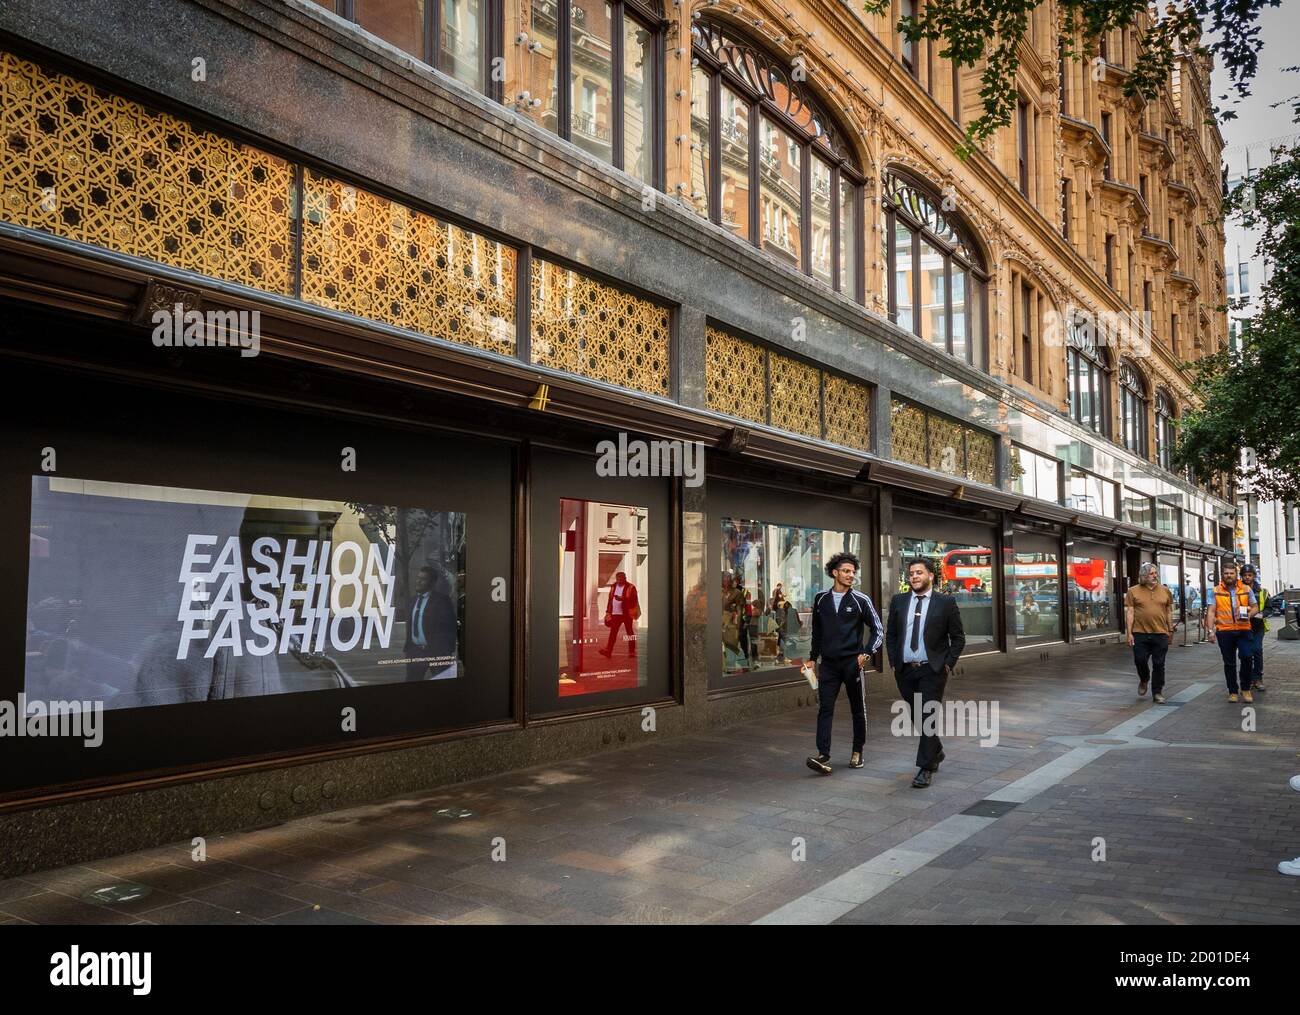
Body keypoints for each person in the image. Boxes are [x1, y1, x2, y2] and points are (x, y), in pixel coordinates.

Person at [886, 557, 966, 788]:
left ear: (930, 575)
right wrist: (893, 661)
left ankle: (925, 767)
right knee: (917, 716)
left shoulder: (945, 602)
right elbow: (891, 635)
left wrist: (947, 663)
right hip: (905, 671)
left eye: (919, 572)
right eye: (911, 573)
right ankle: (936, 751)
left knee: (927, 716)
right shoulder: (899, 601)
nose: (914, 577)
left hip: (932, 669)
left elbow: (958, 638)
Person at [805, 552, 883, 776]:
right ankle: (823, 754)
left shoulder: (860, 600)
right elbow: (817, 632)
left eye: (853, 572)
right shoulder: (821, 599)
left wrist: (867, 653)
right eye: (846, 571)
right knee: (825, 708)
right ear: (834, 573)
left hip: (852, 664)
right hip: (828, 665)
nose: (851, 575)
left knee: (858, 709)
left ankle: (857, 751)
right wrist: (812, 658)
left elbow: (878, 630)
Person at [1204, 562, 1258, 702]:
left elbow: (1255, 607)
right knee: (1229, 663)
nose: (1229, 576)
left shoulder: (1246, 589)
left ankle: (1245, 689)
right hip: (1225, 631)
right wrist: (1210, 631)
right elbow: (1210, 612)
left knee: (1247, 657)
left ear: (1236, 574)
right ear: (1222, 575)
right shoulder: (1215, 591)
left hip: (1244, 630)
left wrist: (1248, 614)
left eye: (1231, 573)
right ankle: (1233, 691)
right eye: (1226, 573)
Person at [1125, 562, 1175, 703]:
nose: (1155, 575)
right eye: (1151, 573)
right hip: (1140, 633)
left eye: (1155, 573)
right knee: (1140, 660)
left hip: (1160, 633)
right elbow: (1130, 612)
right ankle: (1144, 678)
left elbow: (1169, 611)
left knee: (1159, 663)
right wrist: (1129, 633)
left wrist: (1170, 630)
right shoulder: (1133, 591)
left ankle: (1157, 692)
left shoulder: (1165, 590)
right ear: (1144, 576)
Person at [404, 565, 459, 681]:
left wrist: (447, 650)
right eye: (418, 578)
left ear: (432, 583)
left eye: (423, 579)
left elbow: (450, 626)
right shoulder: (412, 601)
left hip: (436, 651)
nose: (418, 581)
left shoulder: (442, 601)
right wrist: (409, 650)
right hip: (415, 652)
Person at [1240, 563, 1269, 692]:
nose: (1247, 577)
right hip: (1242, 626)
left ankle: (1257, 678)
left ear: (1254, 576)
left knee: (1257, 650)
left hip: (1258, 627)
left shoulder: (1263, 592)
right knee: (1245, 654)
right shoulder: (1237, 590)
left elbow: (1269, 608)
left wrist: (1262, 614)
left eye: (1249, 575)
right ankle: (1248, 679)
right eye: (1245, 575)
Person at [598, 570, 639, 659]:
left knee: (630, 632)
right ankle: (608, 651)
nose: (619, 581)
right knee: (613, 632)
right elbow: (610, 599)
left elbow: (634, 599)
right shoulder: (613, 586)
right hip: (615, 614)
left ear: (625, 578)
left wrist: (623, 598)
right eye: (618, 579)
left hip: (627, 614)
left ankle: (631, 651)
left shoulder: (631, 587)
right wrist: (608, 612)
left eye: (621, 579)